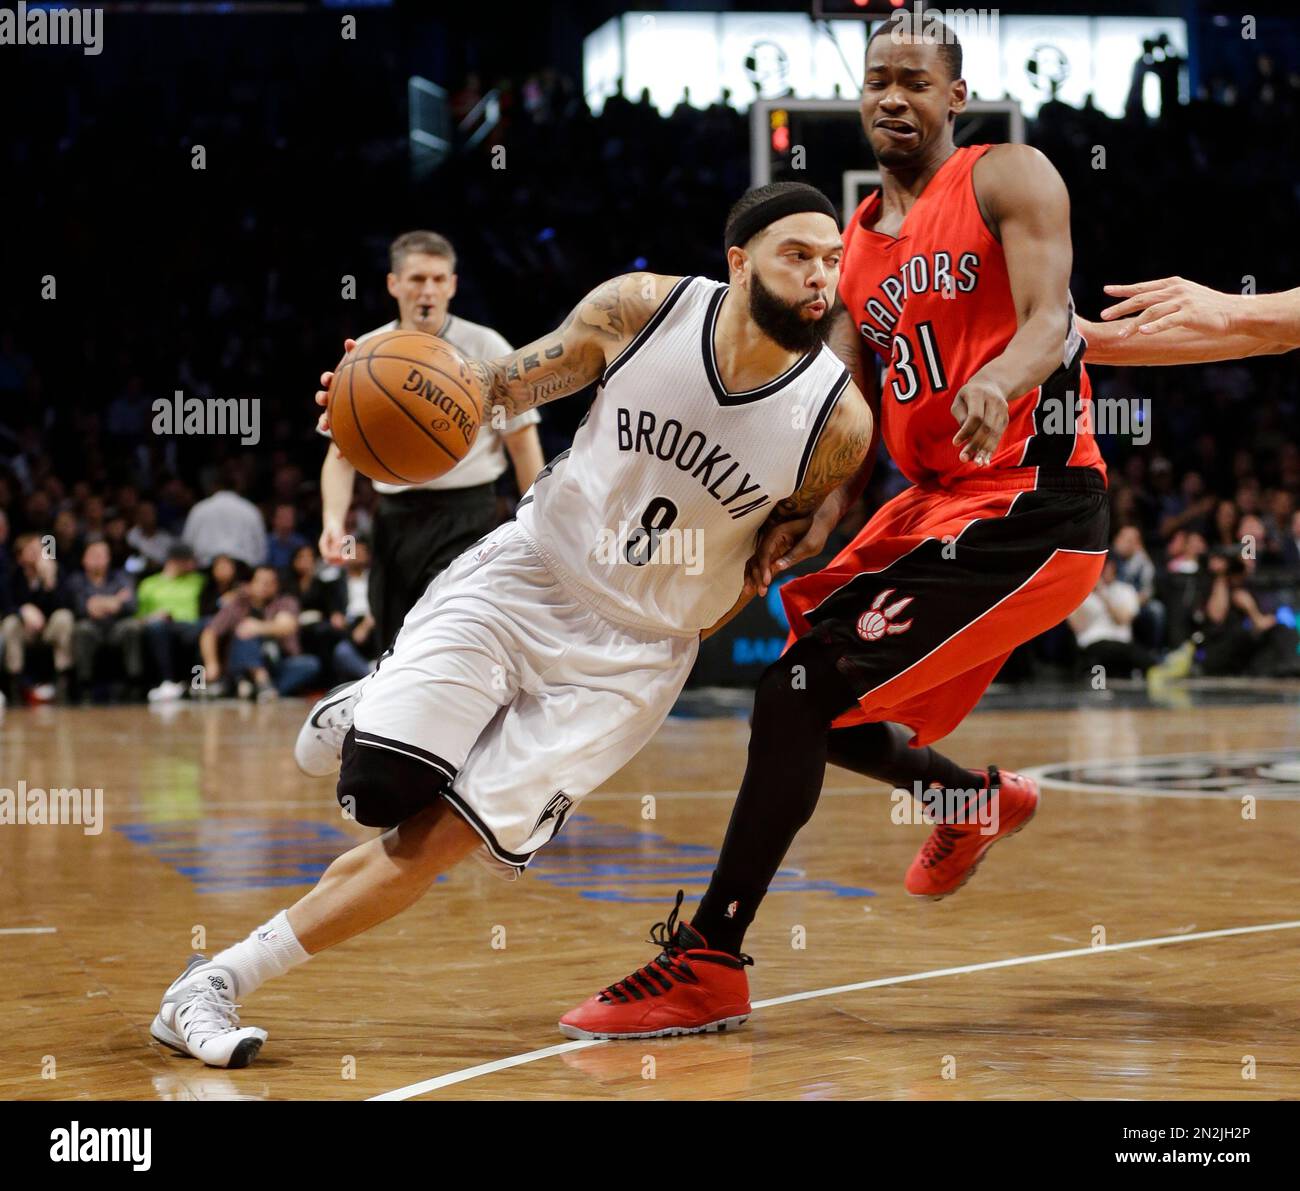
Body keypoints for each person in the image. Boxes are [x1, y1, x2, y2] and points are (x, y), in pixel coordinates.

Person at [150, 183, 872, 1067]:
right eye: (797, 254)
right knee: (372, 790)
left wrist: (716, 599)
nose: (819, 277)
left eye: (832, 259)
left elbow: (788, 538)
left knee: (437, 836)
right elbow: (499, 385)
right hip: (530, 573)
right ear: (738, 262)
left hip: (632, 658)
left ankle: (214, 980)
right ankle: (373, 699)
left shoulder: (839, 420)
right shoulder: (643, 308)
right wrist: (388, 383)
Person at [560, 12, 1114, 1040]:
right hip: (930, 505)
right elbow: (849, 422)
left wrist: (996, 378)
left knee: (796, 693)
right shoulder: (854, 246)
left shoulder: (1010, 176)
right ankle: (965, 803)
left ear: (955, 96)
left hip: (1030, 502)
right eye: (877, 81)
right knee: (817, 690)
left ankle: (709, 960)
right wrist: (797, 518)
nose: (891, 97)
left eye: (914, 80)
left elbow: (1053, 319)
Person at [317, 230, 546, 651]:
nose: (428, 290)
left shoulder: (486, 346)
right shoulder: (367, 352)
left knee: (447, 643)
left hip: (468, 514)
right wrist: (333, 522)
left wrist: (538, 522)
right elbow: (340, 454)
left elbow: (522, 441)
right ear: (393, 284)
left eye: (439, 280)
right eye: (418, 279)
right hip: (394, 517)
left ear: (453, 285)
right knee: (394, 650)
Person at [197, 564, 320, 702]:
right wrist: (211, 663)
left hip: (278, 662)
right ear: (250, 584)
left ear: (277, 585)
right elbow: (209, 633)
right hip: (240, 663)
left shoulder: (285, 602)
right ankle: (261, 682)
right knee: (245, 635)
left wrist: (257, 627)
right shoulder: (239, 603)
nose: (264, 586)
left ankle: (256, 689)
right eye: (260, 581)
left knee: (310, 664)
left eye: (269, 583)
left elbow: (287, 626)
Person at [1, 531, 74, 703]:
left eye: (40, 549)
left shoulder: (55, 570)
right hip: (24, 631)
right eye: (32, 550)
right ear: (19, 557)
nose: (38, 553)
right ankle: (15, 683)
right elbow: (5, 605)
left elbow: (65, 604)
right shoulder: (12, 575)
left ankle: (63, 680)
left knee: (64, 617)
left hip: (49, 629)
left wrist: (49, 582)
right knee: (10, 623)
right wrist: (22, 611)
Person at [68, 538, 140, 699]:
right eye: (93, 555)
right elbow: (81, 607)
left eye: (102, 555)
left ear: (109, 558)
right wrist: (115, 600)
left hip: (116, 627)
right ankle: (84, 685)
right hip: (92, 628)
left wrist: (98, 603)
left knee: (132, 626)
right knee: (82, 629)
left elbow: (131, 605)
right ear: (84, 559)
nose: (98, 558)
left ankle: (135, 683)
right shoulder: (76, 580)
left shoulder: (121, 576)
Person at [135, 542, 206, 702]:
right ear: (175, 561)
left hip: (191, 625)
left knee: (204, 630)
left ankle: (198, 683)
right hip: (161, 626)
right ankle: (167, 682)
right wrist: (153, 617)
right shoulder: (149, 584)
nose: (193, 564)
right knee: (157, 628)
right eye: (189, 560)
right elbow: (138, 618)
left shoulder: (197, 580)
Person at [182, 468, 267, 568]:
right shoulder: (250, 509)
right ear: (237, 486)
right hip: (242, 571)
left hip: (209, 569)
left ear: (214, 486)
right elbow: (261, 551)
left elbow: (186, 545)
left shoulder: (199, 509)